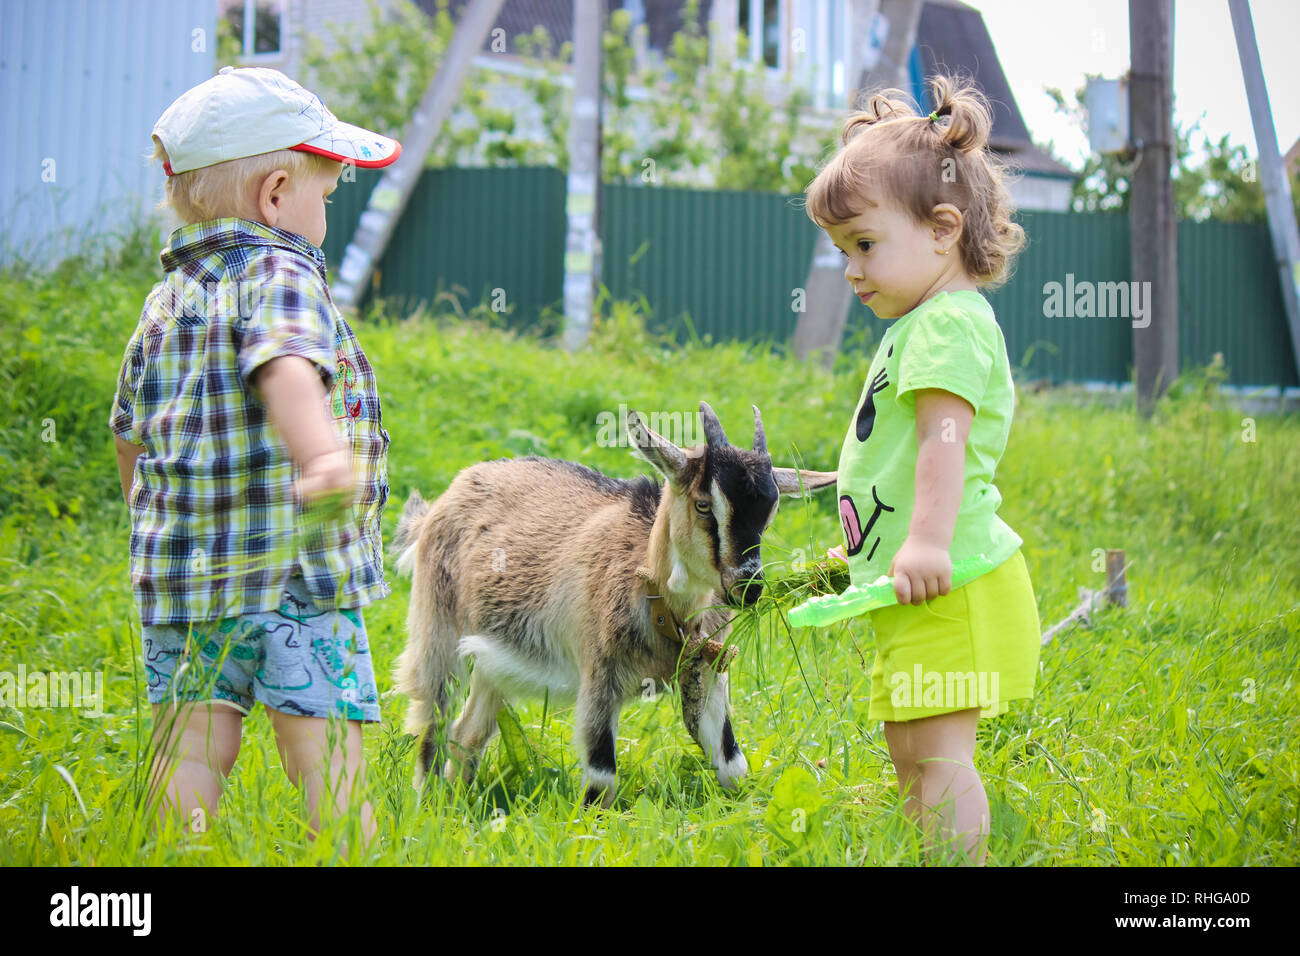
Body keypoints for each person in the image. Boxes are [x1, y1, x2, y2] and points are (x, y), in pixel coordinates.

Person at [110, 66, 402, 845]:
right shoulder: (280, 272)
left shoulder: (165, 300)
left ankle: (177, 855)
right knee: (323, 746)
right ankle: (348, 854)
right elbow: (284, 367)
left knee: (192, 746)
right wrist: (320, 458)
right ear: (277, 195)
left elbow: (130, 429)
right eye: (326, 199)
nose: (324, 219)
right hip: (293, 572)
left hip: (186, 579)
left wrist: (152, 518)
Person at [804, 74, 1040, 865]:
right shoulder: (928, 322)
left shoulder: (945, 328)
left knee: (937, 761)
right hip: (917, 586)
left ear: (943, 229)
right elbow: (896, 460)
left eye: (865, 244)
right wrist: (867, 551)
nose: (852, 268)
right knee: (910, 752)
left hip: (948, 583)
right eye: (843, 252)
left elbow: (944, 442)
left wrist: (926, 543)